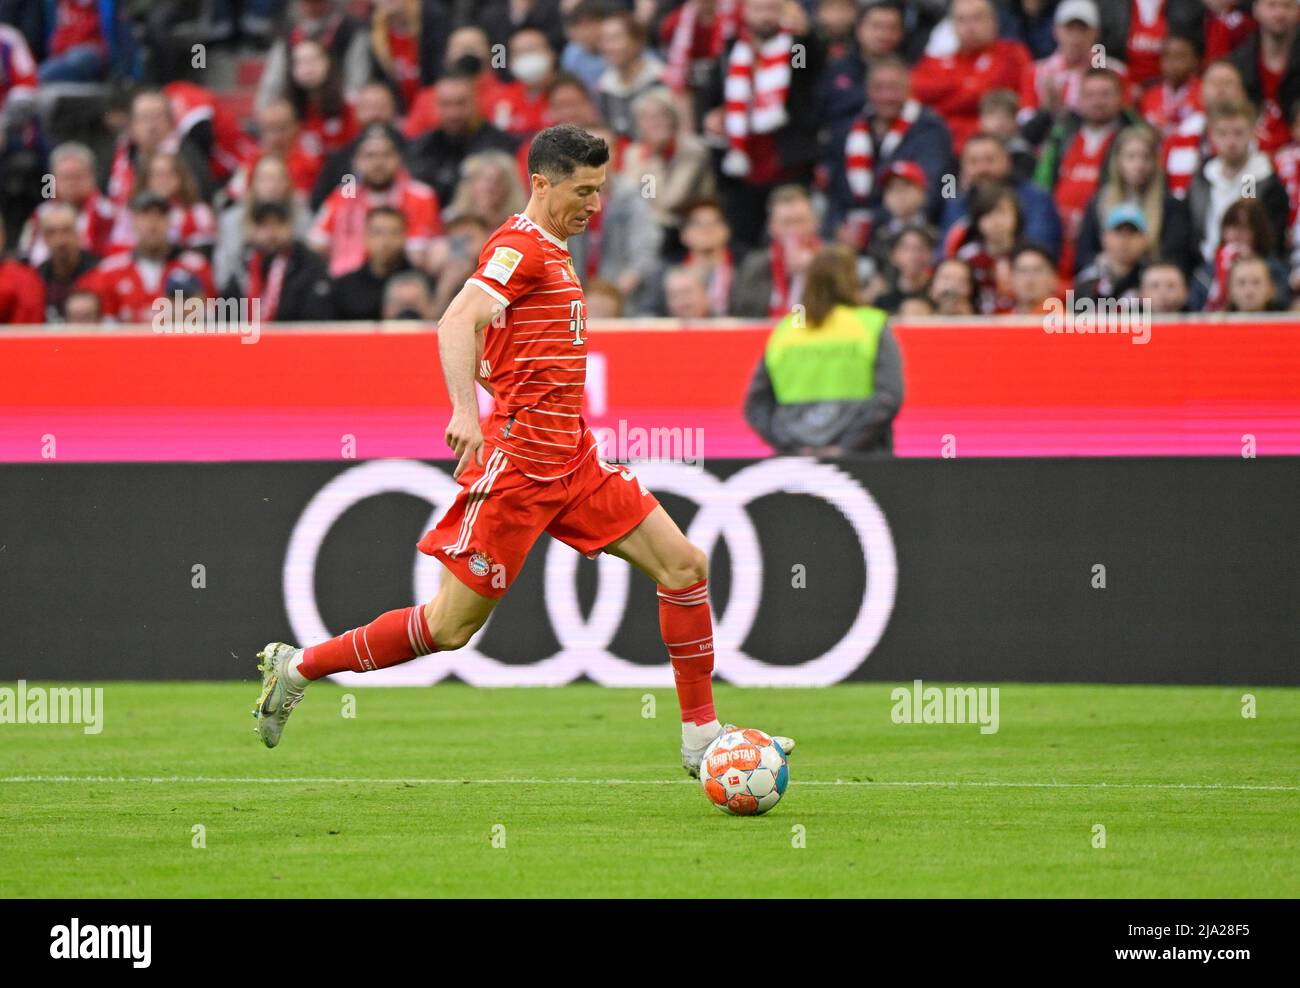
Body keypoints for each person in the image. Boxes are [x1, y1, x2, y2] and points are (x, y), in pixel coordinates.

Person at [251, 124, 796, 777]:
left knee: (684, 566)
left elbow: (505, 342)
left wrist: (496, 378)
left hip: (575, 459)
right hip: (520, 469)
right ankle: (301, 665)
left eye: (601, 190)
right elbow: (459, 319)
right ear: (541, 183)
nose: (594, 205)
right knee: (450, 628)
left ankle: (700, 739)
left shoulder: (555, 251)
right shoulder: (522, 246)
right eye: (583, 190)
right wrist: (465, 411)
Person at [743, 244, 903, 457]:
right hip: (863, 457)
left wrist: (792, 446)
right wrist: (847, 446)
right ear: (852, 279)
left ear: (809, 282)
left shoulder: (788, 329)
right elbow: (888, 397)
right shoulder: (870, 324)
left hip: (797, 461)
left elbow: (756, 405)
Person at [331, 206, 417, 321]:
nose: (386, 241)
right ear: (365, 237)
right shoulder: (344, 287)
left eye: (394, 232)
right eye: (378, 233)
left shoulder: (421, 285)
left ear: (405, 237)